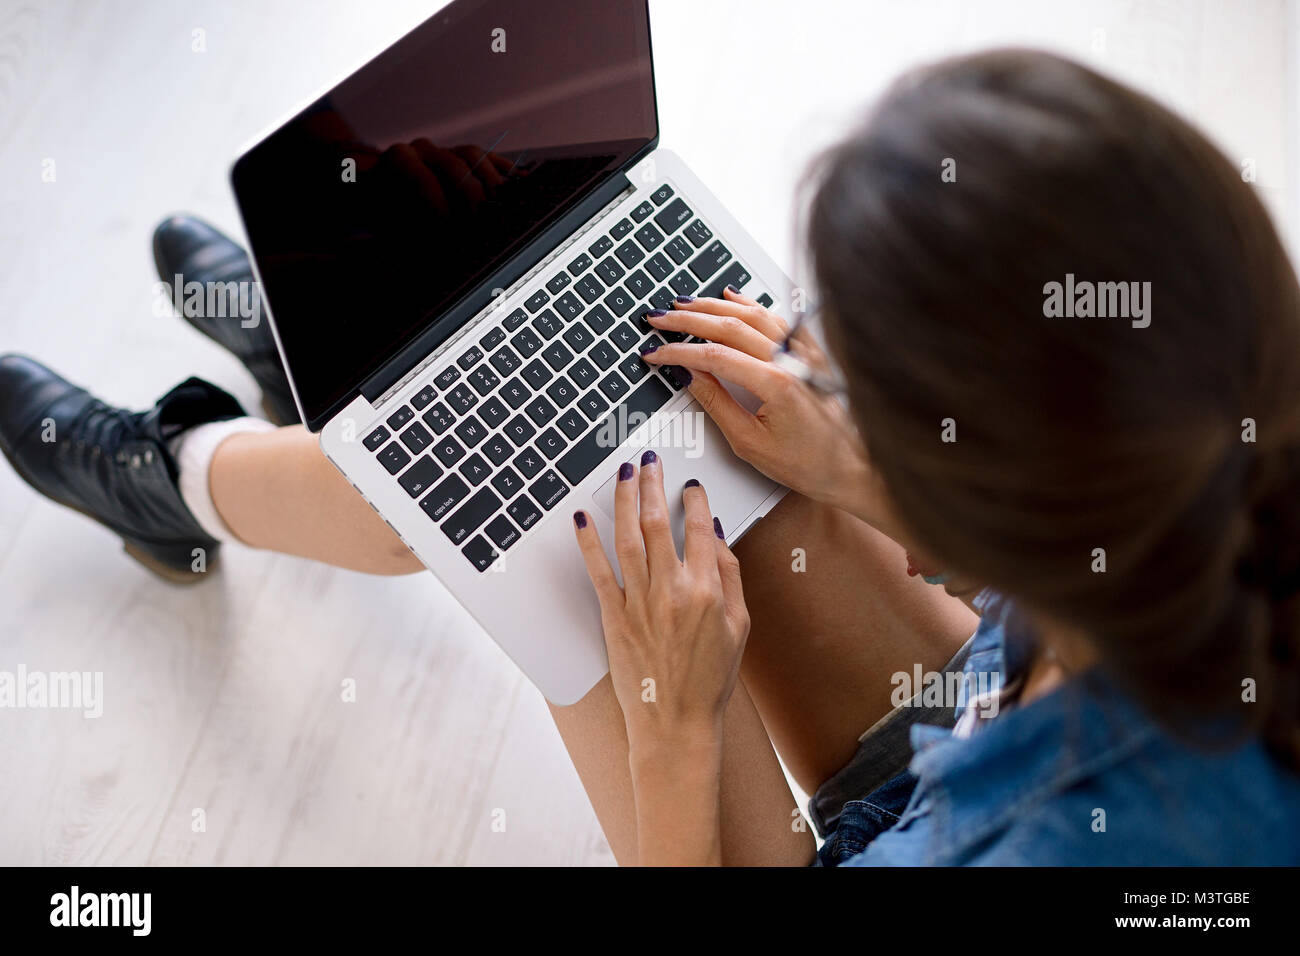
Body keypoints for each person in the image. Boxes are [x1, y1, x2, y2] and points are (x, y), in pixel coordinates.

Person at [3, 49, 1298, 865]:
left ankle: (176, 473)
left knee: (549, 545)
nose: (822, 375)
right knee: (638, 433)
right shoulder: (1231, 450)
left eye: (873, 397)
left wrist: (678, 727)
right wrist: (857, 468)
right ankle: (326, 409)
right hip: (999, 725)